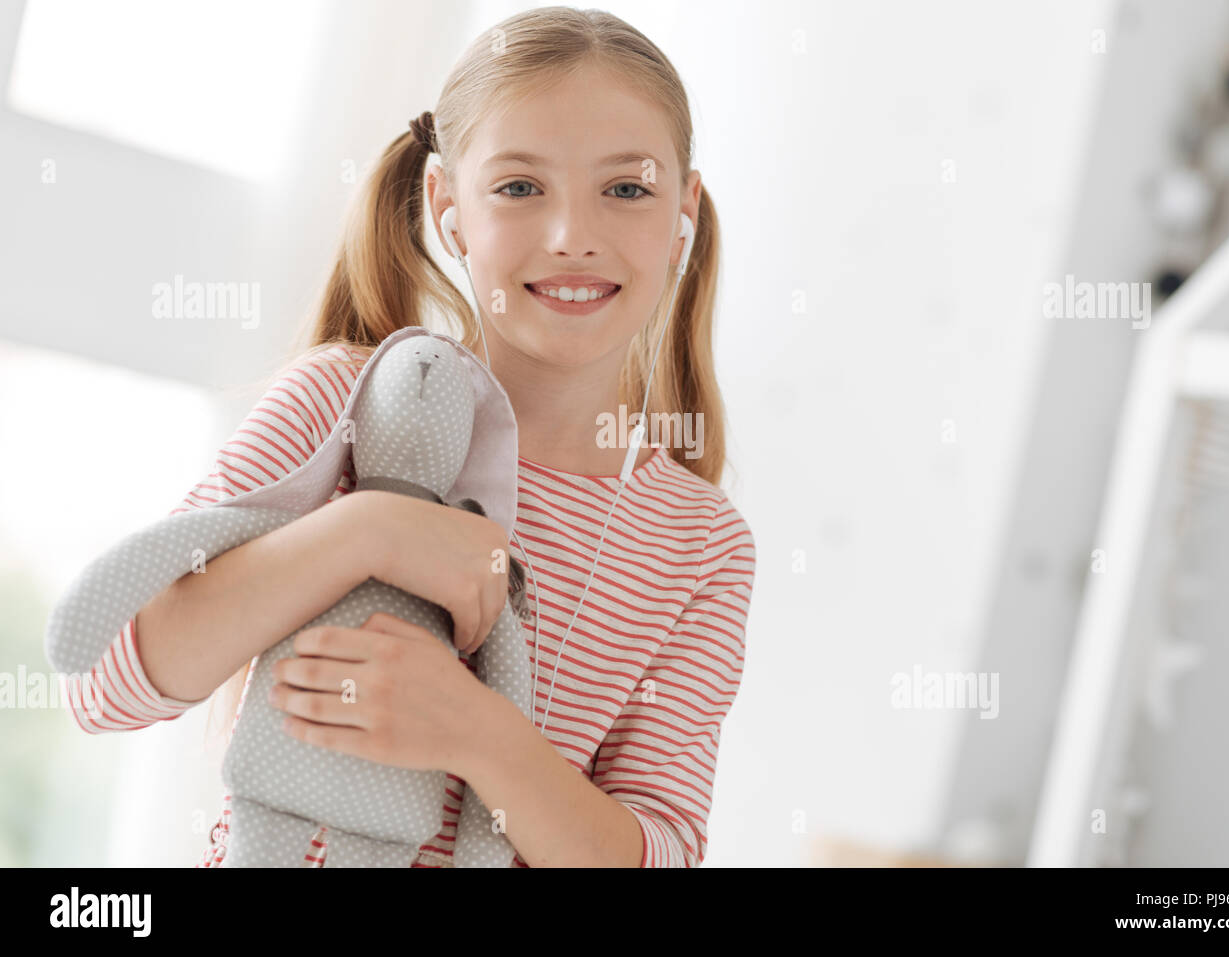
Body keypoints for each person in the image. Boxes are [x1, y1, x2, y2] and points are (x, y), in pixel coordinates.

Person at [70, 5, 756, 869]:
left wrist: (479, 734)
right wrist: (368, 530)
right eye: (518, 187)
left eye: (627, 188)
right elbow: (102, 683)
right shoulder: (338, 403)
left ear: (683, 211)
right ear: (448, 207)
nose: (573, 235)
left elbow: (663, 853)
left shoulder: (700, 544)